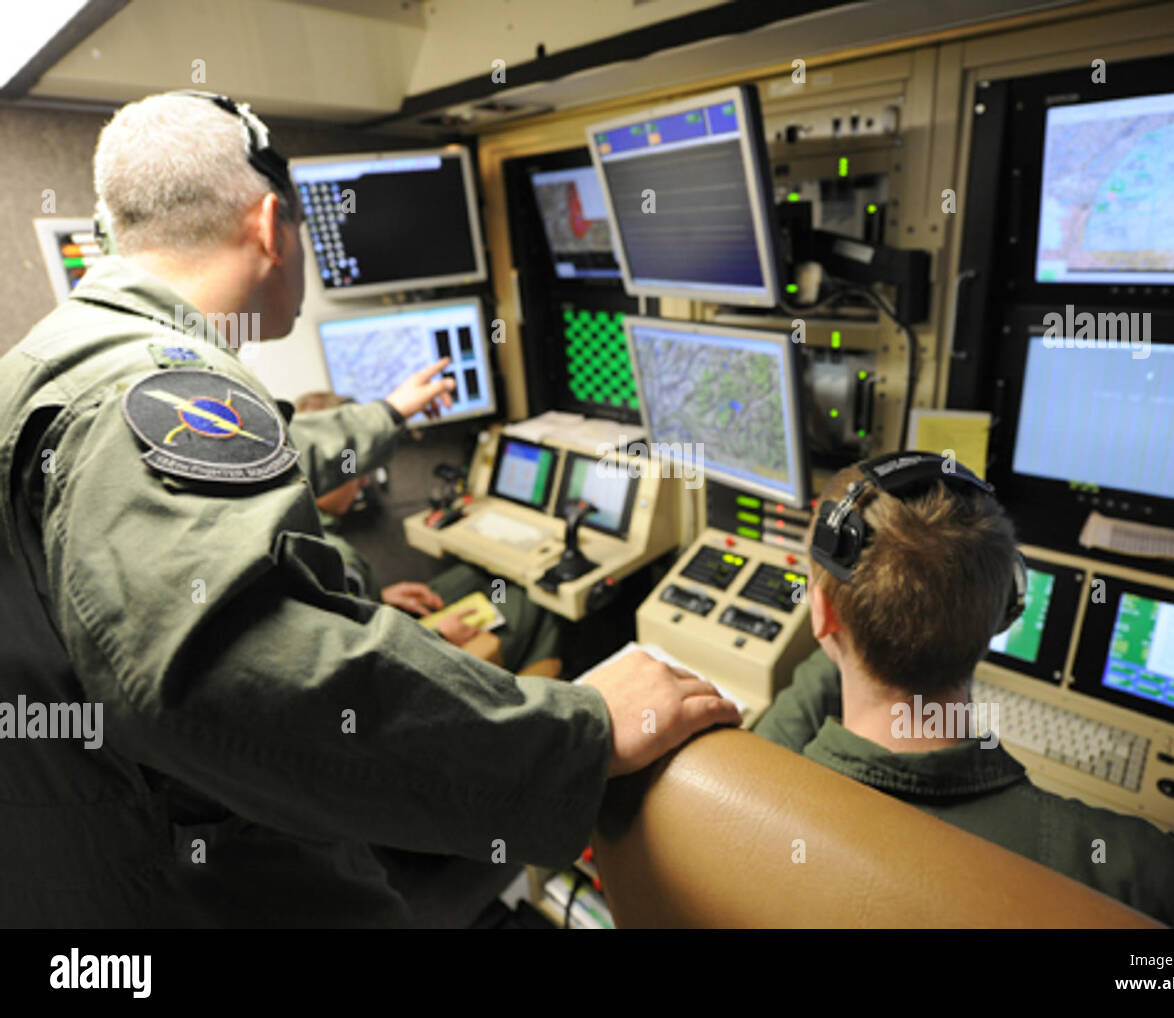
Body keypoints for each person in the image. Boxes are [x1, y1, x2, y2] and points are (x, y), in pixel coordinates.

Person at [0, 91, 739, 928]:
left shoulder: (64, 362)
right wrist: (583, 731)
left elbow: (237, 461)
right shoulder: (147, 384)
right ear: (271, 224)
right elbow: (223, 680)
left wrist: (386, 416)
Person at [755, 456, 1174, 928]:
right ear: (1007, 612)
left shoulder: (749, 787)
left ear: (823, 618)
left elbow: (793, 707)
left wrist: (859, 609)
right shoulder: (1151, 875)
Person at [294, 391, 563, 675]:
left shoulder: (303, 528)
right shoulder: (337, 558)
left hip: (384, 625)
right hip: (409, 667)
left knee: (480, 574)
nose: (363, 479)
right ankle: (524, 696)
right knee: (535, 598)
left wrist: (377, 598)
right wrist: (440, 638)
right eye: (353, 468)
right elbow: (363, 667)